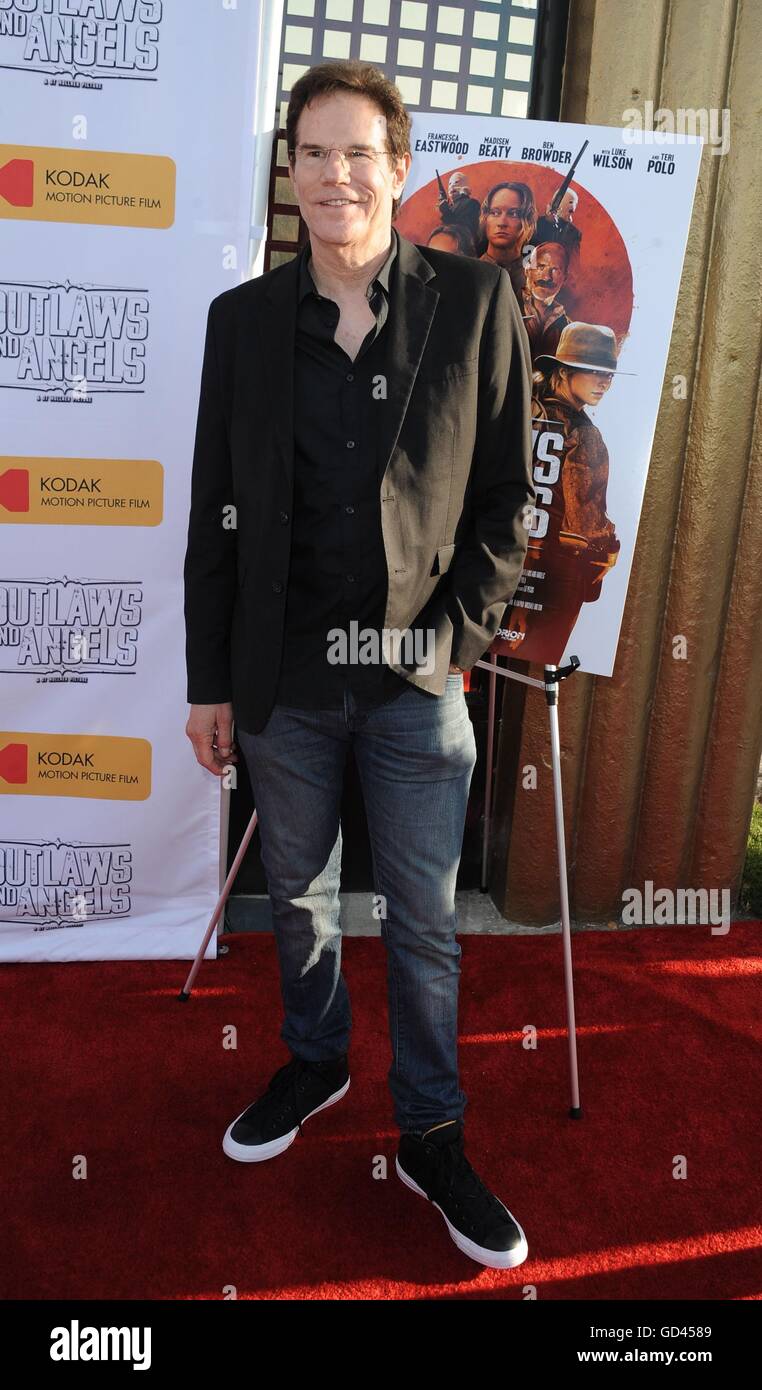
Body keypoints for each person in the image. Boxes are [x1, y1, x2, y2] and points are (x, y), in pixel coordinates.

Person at [183, 59, 534, 1271]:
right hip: (281, 685)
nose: (336, 174)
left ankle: (434, 1130)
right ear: (291, 174)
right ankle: (318, 1061)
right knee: (300, 897)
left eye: (359, 152)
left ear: (398, 166)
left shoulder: (480, 305)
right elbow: (214, 513)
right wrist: (210, 683)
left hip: (414, 685)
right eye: (314, 153)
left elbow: (505, 510)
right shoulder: (242, 324)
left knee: (428, 924)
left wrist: (445, 651)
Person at [500, 322, 622, 665]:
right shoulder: (585, 435)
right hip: (556, 575)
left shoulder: (526, 413)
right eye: (595, 371)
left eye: (609, 375)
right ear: (564, 371)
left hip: (500, 561)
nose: (604, 382)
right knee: (541, 661)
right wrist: (610, 543)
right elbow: (586, 523)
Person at [478, 180, 536, 304]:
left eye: (513, 214)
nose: (502, 223)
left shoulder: (534, 281)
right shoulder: (470, 273)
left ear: (528, 221)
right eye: (495, 213)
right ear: (485, 218)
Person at [521, 241, 571, 360]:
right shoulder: (507, 308)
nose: (546, 277)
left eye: (555, 269)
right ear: (527, 271)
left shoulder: (568, 328)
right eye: (540, 267)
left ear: (565, 277)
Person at [435, 170, 484, 253]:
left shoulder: (472, 203)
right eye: (449, 184)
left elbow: (462, 230)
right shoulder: (450, 207)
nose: (452, 186)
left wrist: (446, 212)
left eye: (456, 182)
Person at [534, 186, 582, 260]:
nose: (570, 219)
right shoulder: (535, 224)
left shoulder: (574, 233)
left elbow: (573, 265)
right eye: (569, 211)